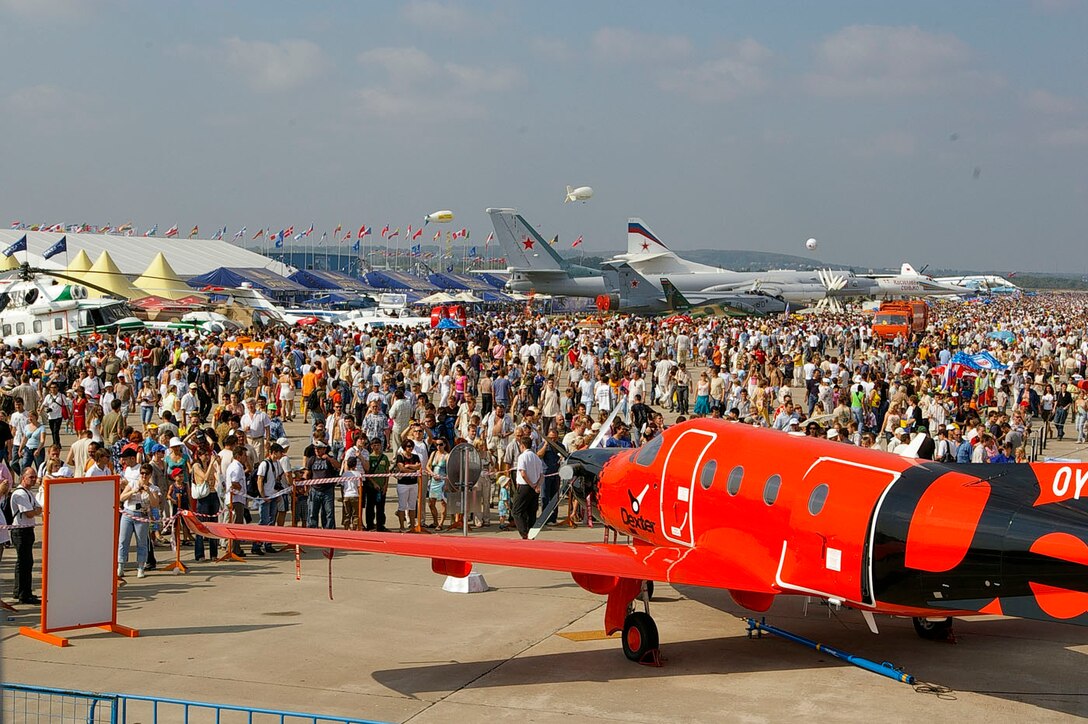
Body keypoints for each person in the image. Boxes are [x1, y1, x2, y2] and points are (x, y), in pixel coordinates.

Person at [118, 463, 161, 578]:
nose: (144, 476)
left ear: (150, 475)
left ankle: (141, 567)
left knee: (142, 543)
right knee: (123, 540)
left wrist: (149, 492)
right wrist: (133, 491)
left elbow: (155, 504)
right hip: (128, 513)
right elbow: (121, 497)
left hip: (142, 515)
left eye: (146, 474)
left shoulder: (153, 488)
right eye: (142, 473)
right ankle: (120, 566)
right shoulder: (133, 483)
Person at [10, 468, 43, 603]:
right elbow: (29, 513)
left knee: (24, 562)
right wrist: (34, 510)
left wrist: (34, 510)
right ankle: (24, 594)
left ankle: (20, 591)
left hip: (27, 529)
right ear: (23, 477)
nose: (34, 479)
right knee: (25, 562)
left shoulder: (28, 492)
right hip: (20, 531)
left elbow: (39, 508)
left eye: (35, 477)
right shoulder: (20, 494)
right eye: (31, 477)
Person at [251, 442, 286, 554]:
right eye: (280, 453)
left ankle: (268, 543)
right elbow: (260, 480)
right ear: (274, 453)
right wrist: (263, 496)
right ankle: (256, 545)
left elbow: (278, 479)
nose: (281, 455)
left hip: (273, 496)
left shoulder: (277, 464)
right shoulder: (264, 464)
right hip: (266, 497)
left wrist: (278, 494)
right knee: (264, 521)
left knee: (271, 521)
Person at [190, 446, 220, 561]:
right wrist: (211, 463)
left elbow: (215, 478)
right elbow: (206, 478)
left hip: (213, 494)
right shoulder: (196, 466)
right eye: (204, 455)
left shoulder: (210, 464)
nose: (207, 457)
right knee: (201, 526)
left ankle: (214, 554)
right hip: (203, 498)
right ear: (199, 456)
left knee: (214, 527)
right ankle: (200, 554)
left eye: (208, 455)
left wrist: (217, 463)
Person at [512, 435, 543, 539]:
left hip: (525, 486)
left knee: (516, 511)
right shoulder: (536, 457)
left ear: (522, 446)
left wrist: (531, 484)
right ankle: (531, 533)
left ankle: (524, 533)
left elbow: (523, 473)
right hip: (534, 487)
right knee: (531, 511)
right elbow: (542, 475)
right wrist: (537, 485)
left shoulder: (522, 457)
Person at [305, 439, 338, 529]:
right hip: (315, 490)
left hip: (327, 490)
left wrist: (329, 459)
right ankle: (312, 532)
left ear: (324, 449)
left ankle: (329, 532)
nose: (316, 450)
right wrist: (305, 484)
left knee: (329, 513)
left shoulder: (329, 459)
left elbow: (338, 466)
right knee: (312, 513)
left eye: (319, 448)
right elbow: (307, 473)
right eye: (315, 449)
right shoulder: (312, 459)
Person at [363, 437, 391, 532]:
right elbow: (367, 473)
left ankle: (380, 525)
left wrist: (386, 485)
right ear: (371, 446)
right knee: (370, 507)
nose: (376, 447)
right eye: (374, 445)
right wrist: (374, 483)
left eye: (378, 445)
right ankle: (370, 525)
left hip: (382, 486)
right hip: (371, 486)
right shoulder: (369, 457)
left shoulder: (384, 457)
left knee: (381, 507)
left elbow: (387, 472)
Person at [393, 437, 421, 532]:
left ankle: (412, 526)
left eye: (412, 446)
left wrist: (409, 466)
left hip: (414, 484)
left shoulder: (415, 456)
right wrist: (413, 470)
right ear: (404, 447)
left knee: (412, 506)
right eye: (408, 446)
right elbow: (402, 468)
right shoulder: (400, 456)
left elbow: (419, 466)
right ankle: (402, 526)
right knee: (402, 506)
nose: (410, 448)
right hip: (403, 484)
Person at [425, 437, 450, 529]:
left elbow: (449, 471)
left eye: (441, 444)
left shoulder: (447, 456)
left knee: (443, 503)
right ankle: (435, 521)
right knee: (431, 503)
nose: (438, 446)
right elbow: (428, 466)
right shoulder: (434, 453)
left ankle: (441, 523)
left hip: (443, 481)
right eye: (437, 445)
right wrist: (431, 473)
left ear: (444, 445)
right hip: (433, 481)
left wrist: (447, 484)